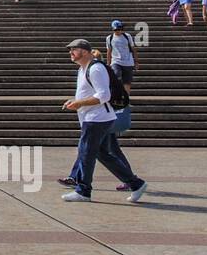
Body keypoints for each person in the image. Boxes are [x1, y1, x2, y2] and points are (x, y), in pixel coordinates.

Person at [60, 38, 147, 203]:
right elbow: (89, 93)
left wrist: (79, 103)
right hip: (93, 117)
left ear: (85, 51)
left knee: (85, 152)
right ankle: (136, 183)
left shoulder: (96, 69)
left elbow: (104, 95)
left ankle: (83, 191)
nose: (70, 53)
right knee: (102, 154)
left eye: (74, 49)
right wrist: (75, 100)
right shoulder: (83, 68)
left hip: (97, 119)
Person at [105, 20, 137, 95]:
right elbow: (109, 51)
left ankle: (126, 99)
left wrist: (136, 61)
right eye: (116, 30)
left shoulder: (127, 36)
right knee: (116, 76)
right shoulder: (109, 38)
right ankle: (117, 96)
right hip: (116, 61)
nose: (118, 31)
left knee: (127, 82)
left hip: (128, 61)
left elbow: (133, 48)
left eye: (119, 29)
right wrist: (108, 63)